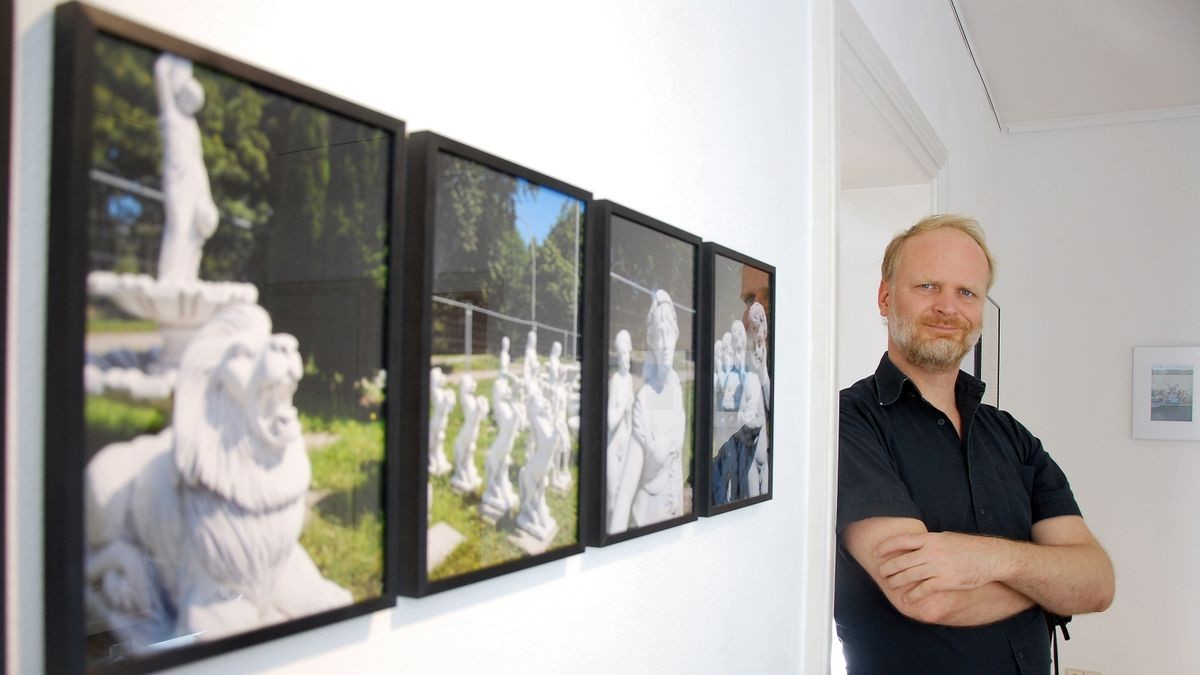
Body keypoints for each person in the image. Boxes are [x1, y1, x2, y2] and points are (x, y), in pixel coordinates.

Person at [836, 215, 1114, 674]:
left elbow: (1097, 583)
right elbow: (927, 597)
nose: (948, 307)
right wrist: (1048, 582)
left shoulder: (1011, 436)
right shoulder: (849, 422)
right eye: (928, 286)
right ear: (886, 298)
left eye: (966, 292)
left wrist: (986, 558)